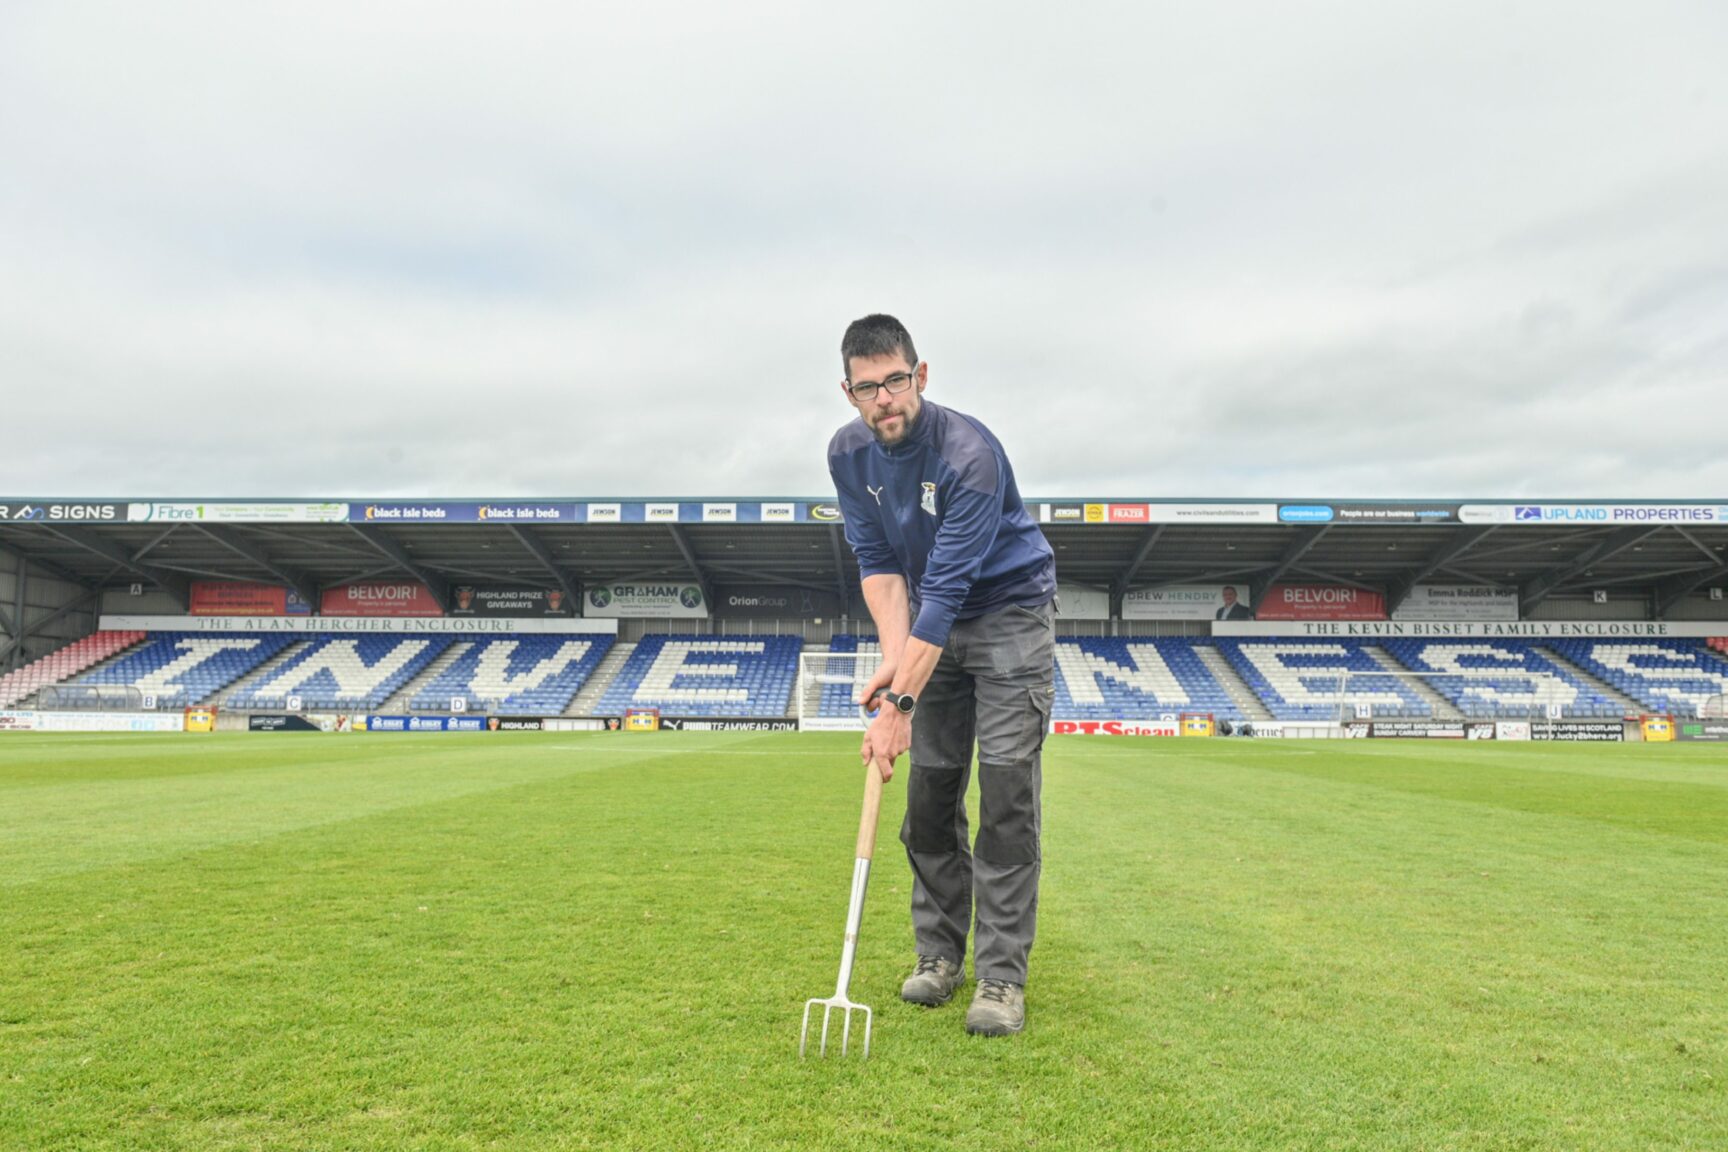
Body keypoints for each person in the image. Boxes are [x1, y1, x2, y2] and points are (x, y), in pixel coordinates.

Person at [826, 313, 1057, 1037]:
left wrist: (898, 704)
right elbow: (880, 565)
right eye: (868, 388)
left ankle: (1001, 974)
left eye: (895, 380)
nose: (884, 399)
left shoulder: (968, 455)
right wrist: (896, 664)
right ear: (848, 393)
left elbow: (950, 589)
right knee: (929, 792)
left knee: (1007, 790)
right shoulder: (847, 454)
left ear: (920, 375)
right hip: (932, 620)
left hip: (1009, 613)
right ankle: (939, 954)